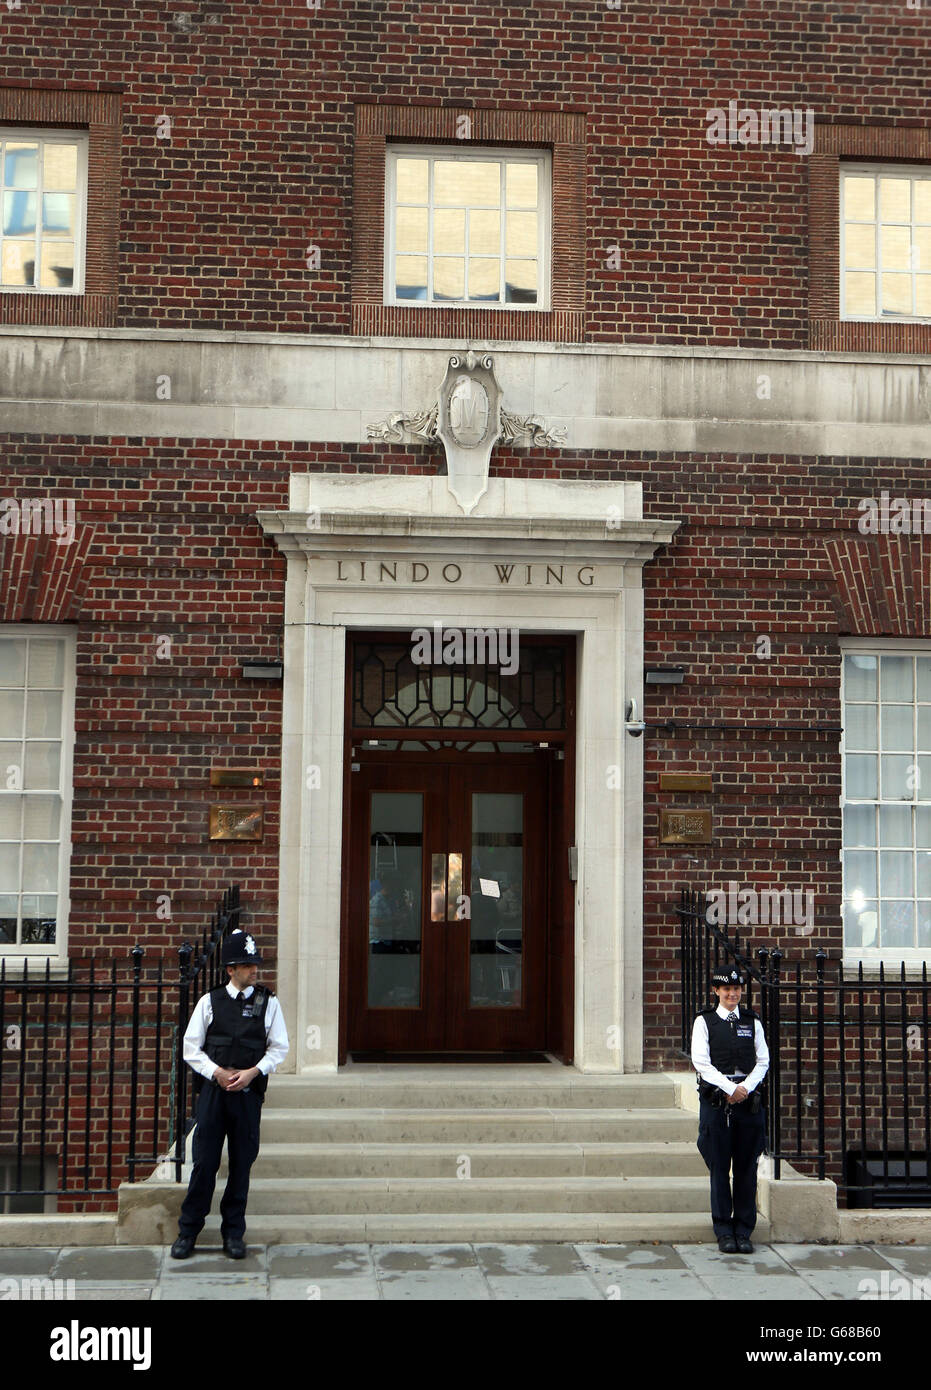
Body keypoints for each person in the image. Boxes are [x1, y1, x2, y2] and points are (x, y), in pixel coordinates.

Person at [170, 929, 289, 1260]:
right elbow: (190, 1048)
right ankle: (188, 1231)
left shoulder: (268, 1002)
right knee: (205, 1163)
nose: (254, 970)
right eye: (247, 965)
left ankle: (233, 1233)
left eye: (255, 964)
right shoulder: (210, 1002)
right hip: (213, 1095)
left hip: (248, 1096)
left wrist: (252, 1072)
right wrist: (217, 1073)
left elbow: (280, 1048)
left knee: (241, 1164)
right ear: (230, 969)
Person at [691, 966, 769, 1254]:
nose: (732, 994)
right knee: (720, 1168)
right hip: (717, 1102)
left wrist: (745, 1088)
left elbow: (763, 1060)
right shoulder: (705, 1021)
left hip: (748, 1101)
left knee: (747, 1169)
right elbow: (701, 1062)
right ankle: (723, 1229)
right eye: (727, 990)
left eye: (736, 989)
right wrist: (728, 1088)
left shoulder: (752, 1021)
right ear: (716, 991)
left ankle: (744, 1230)